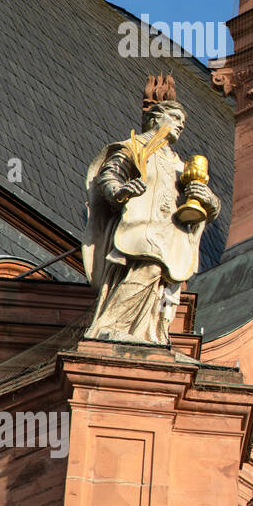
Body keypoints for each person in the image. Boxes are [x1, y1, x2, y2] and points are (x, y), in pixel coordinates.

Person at [82, 100, 220, 344]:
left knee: (161, 283)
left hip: (170, 235)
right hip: (140, 228)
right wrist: (119, 191)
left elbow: (210, 208)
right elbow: (110, 176)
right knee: (151, 267)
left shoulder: (181, 166)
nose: (180, 125)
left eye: (183, 122)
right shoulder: (133, 147)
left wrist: (209, 200)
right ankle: (109, 327)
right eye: (175, 117)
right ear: (155, 118)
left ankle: (151, 335)